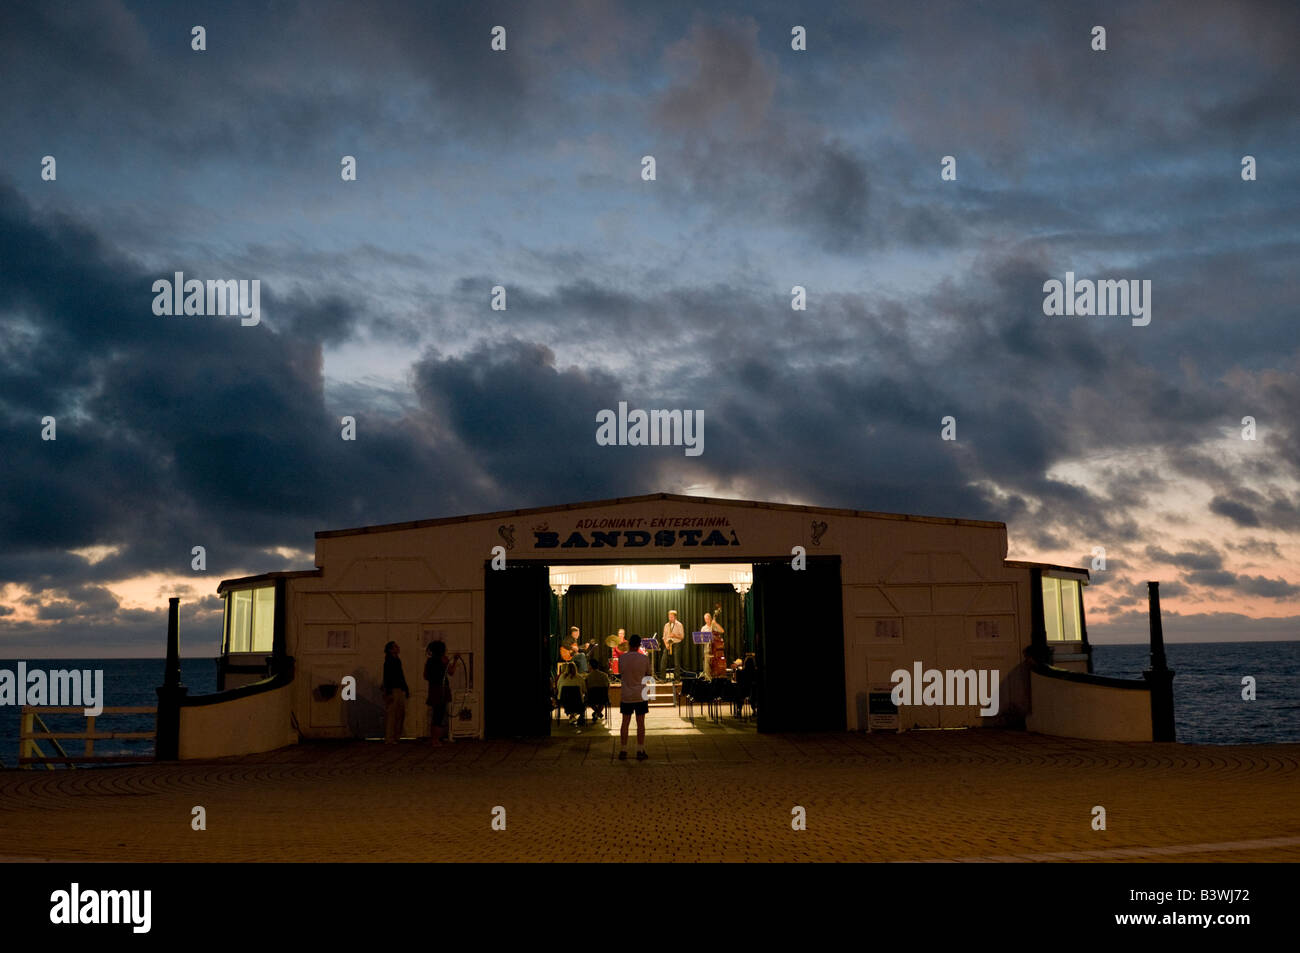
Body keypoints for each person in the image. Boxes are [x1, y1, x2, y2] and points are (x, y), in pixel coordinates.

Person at [618, 634, 652, 760]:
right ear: (639, 645)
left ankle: (623, 750)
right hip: (640, 694)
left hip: (626, 694)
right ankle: (640, 749)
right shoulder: (644, 659)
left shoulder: (622, 658)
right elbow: (649, 674)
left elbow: (621, 673)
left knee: (625, 723)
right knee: (641, 724)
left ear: (629, 644)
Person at [424, 640, 460, 746]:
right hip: (442, 689)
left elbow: (425, 676)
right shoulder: (444, 659)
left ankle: (434, 738)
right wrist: (455, 660)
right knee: (439, 714)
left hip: (433, 688)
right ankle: (436, 740)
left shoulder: (429, 661)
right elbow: (451, 672)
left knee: (436, 713)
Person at [382, 641, 408, 744]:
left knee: (399, 713)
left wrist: (405, 687)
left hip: (398, 689)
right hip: (393, 689)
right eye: (395, 647)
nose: (398, 648)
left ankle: (396, 736)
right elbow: (387, 677)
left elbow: (400, 675)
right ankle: (390, 737)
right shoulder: (389, 661)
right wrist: (388, 692)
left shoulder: (397, 660)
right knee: (392, 714)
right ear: (391, 650)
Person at [557, 662, 586, 727]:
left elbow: (558, 687)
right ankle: (574, 715)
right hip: (577, 700)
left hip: (564, 700)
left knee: (568, 699)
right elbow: (584, 690)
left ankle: (572, 716)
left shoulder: (561, 677)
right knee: (579, 701)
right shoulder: (579, 678)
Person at [585, 658, 611, 722]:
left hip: (591, 698)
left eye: (588, 665)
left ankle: (597, 713)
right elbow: (608, 686)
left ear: (590, 666)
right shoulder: (604, 675)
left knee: (588, 700)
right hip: (603, 698)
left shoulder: (588, 677)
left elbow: (586, 688)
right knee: (602, 700)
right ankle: (598, 713)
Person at [661, 610, 685, 679]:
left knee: (676, 662)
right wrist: (666, 644)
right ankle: (663, 678)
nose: (670, 618)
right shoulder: (666, 625)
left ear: (675, 617)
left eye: (671, 617)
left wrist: (674, 635)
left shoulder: (679, 625)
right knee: (663, 660)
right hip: (668, 644)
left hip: (676, 643)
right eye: (669, 617)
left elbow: (682, 637)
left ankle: (677, 678)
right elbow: (664, 637)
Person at [700, 611, 724, 679]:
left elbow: (722, 631)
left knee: (715, 669)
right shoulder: (703, 628)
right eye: (706, 619)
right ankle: (708, 680)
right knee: (707, 669)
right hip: (707, 650)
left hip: (715, 651)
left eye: (708, 619)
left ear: (711, 619)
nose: (707, 620)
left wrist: (715, 623)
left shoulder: (714, 626)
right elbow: (701, 640)